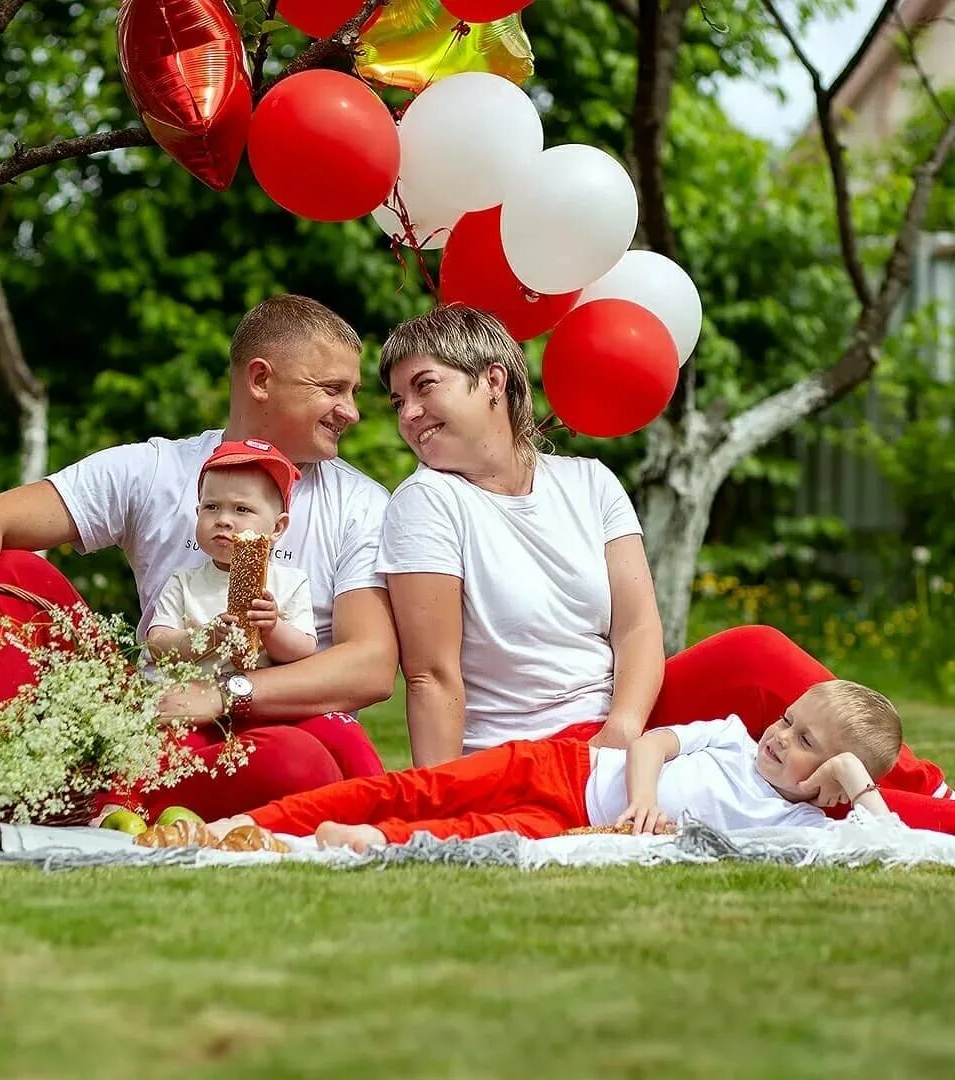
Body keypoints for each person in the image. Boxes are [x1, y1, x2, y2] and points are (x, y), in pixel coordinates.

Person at [376, 305, 955, 835]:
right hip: (538, 748)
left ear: (494, 381)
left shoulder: (589, 482)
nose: (410, 414)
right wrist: (442, 795)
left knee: (757, 658)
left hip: (625, 721)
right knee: (791, 789)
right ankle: (936, 821)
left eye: (424, 386)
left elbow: (637, 628)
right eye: (398, 401)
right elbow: (432, 674)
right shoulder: (427, 500)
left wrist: (625, 726)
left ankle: (927, 788)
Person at [0, 295, 398, 819]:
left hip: (279, 721)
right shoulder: (155, 469)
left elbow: (371, 667)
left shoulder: (361, 503)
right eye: (332, 389)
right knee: (8, 572)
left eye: (352, 392)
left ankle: (82, 797)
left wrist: (225, 694)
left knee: (298, 764)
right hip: (157, 714)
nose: (351, 411)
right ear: (261, 380)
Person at [208, 680, 902, 850]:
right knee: (420, 788)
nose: (781, 738)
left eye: (809, 743)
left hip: (569, 822)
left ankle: (365, 843)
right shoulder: (728, 736)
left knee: (477, 834)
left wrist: (856, 785)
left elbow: (895, 846)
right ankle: (255, 821)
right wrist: (643, 800)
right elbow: (650, 744)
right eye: (788, 719)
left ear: (835, 775)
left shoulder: (800, 824)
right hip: (567, 770)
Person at [146, 439, 317, 675]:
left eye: (242, 509)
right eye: (211, 507)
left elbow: (304, 650)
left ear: (277, 527)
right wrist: (206, 637)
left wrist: (273, 629)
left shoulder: (291, 583)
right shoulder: (183, 582)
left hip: (264, 699)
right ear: (198, 513)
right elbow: (156, 643)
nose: (223, 520)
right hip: (193, 696)